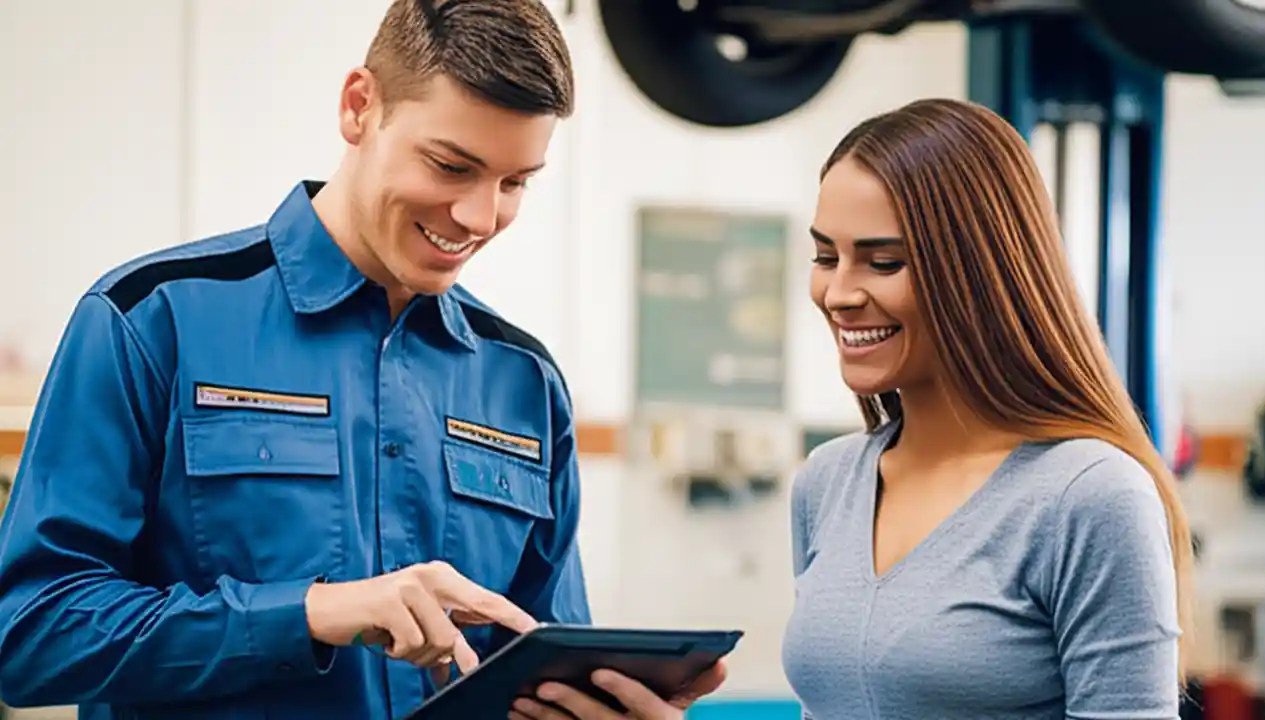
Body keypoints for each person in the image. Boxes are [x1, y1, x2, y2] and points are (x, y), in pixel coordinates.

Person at [0, 2, 725, 719]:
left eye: (514, 183)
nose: (478, 217)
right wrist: (313, 612)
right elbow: (29, 635)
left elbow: (538, 657)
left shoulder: (523, 382)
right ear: (359, 108)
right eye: (450, 165)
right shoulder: (151, 321)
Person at [779, 98, 1192, 719]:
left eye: (883, 262)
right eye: (825, 257)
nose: (837, 294)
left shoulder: (1088, 496)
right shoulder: (826, 483)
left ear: (978, 270)